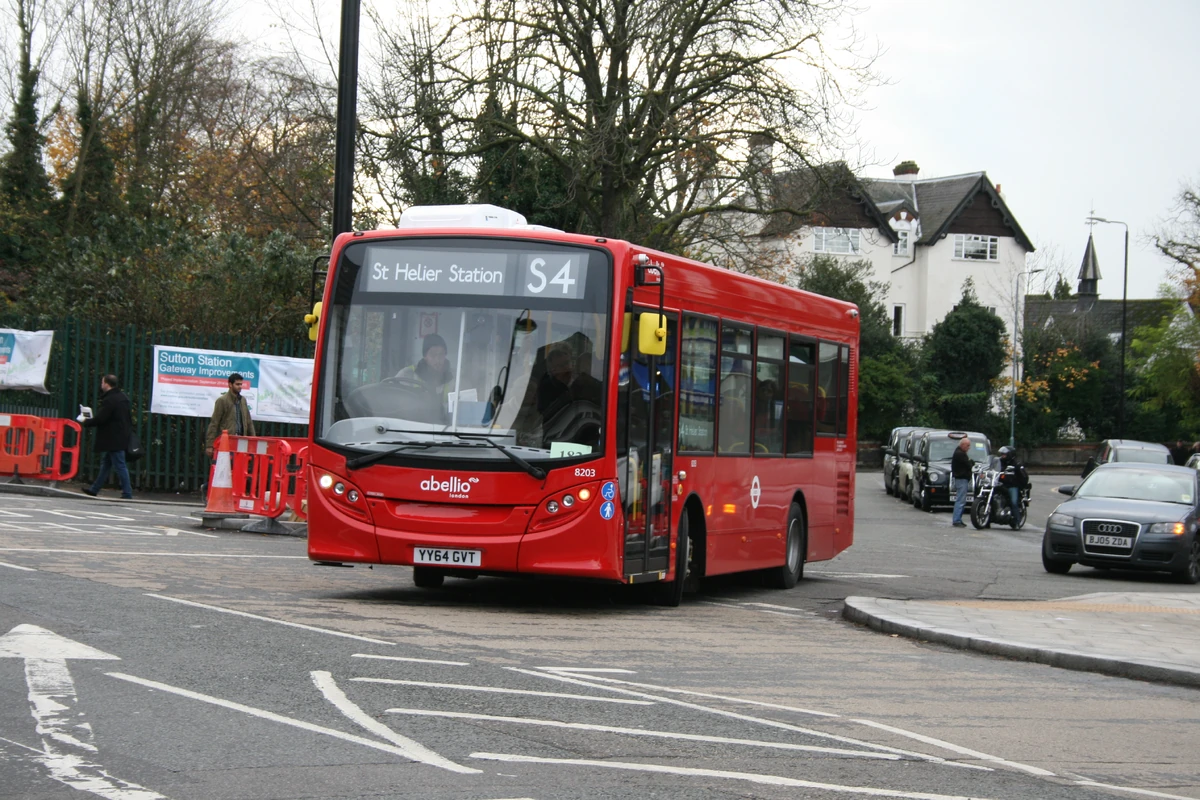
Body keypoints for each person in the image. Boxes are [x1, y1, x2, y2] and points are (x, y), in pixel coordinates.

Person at [78, 373, 133, 499]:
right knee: (107, 463)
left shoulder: (110, 400)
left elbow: (102, 418)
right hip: (121, 435)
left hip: (113, 437)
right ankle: (94, 489)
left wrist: (86, 421)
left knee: (120, 465)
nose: (101, 385)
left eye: (102, 382)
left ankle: (127, 493)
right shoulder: (123, 397)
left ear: (107, 384)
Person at [205, 372, 256, 458]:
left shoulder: (243, 400)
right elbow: (214, 423)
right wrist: (210, 445)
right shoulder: (222, 400)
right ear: (230, 384)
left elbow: (248, 422)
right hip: (227, 441)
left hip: (241, 441)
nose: (240, 386)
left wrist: (254, 440)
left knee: (239, 467)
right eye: (237, 384)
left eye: (241, 384)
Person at [996, 446, 1029, 517]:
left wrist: (1019, 485)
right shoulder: (1000, 462)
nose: (1002, 456)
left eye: (1004, 454)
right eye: (1002, 454)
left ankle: (1016, 521)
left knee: (1014, 502)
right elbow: (994, 468)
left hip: (1012, 486)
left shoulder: (1016, 464)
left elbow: (1024, 477)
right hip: (1000, 484)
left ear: (1010, 455)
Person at [950, 436, 973, 527]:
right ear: (963, 445)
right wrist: (971, 462)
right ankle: (956, 520)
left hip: (961, 479)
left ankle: (958, 519)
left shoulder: (958, 452)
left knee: (961, 499)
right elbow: (969, 464)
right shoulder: (960, 454)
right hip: (961, 479)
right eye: (967, 445)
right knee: (960, 500)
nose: (969, 448)